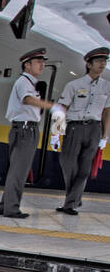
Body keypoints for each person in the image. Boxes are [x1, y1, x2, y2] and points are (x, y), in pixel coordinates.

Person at [0, 47, 61, 218]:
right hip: (24, 130)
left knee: (17, 171)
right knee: (19, 172)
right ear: (27, 65)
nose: (42, 65)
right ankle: (11, 209)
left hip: (27, 130)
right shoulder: (24, 82)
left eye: (43, 62)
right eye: (39, 62)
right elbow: (27, 100)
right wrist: (51, 106)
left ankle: (4, 206)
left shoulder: (29, 82)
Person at [52, 46, 110, 215]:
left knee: (85, 169)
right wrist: (56, 134)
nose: (102, 64)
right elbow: (61, 108)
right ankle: (74, 199)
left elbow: (107, 112)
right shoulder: (74, 85)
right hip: (74, 128)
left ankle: (70, 204)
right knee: (69, 165)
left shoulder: (107, 86)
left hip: (94, 129)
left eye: (104, 61)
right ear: (89, 64)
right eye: (99, 61)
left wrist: (104, 136)